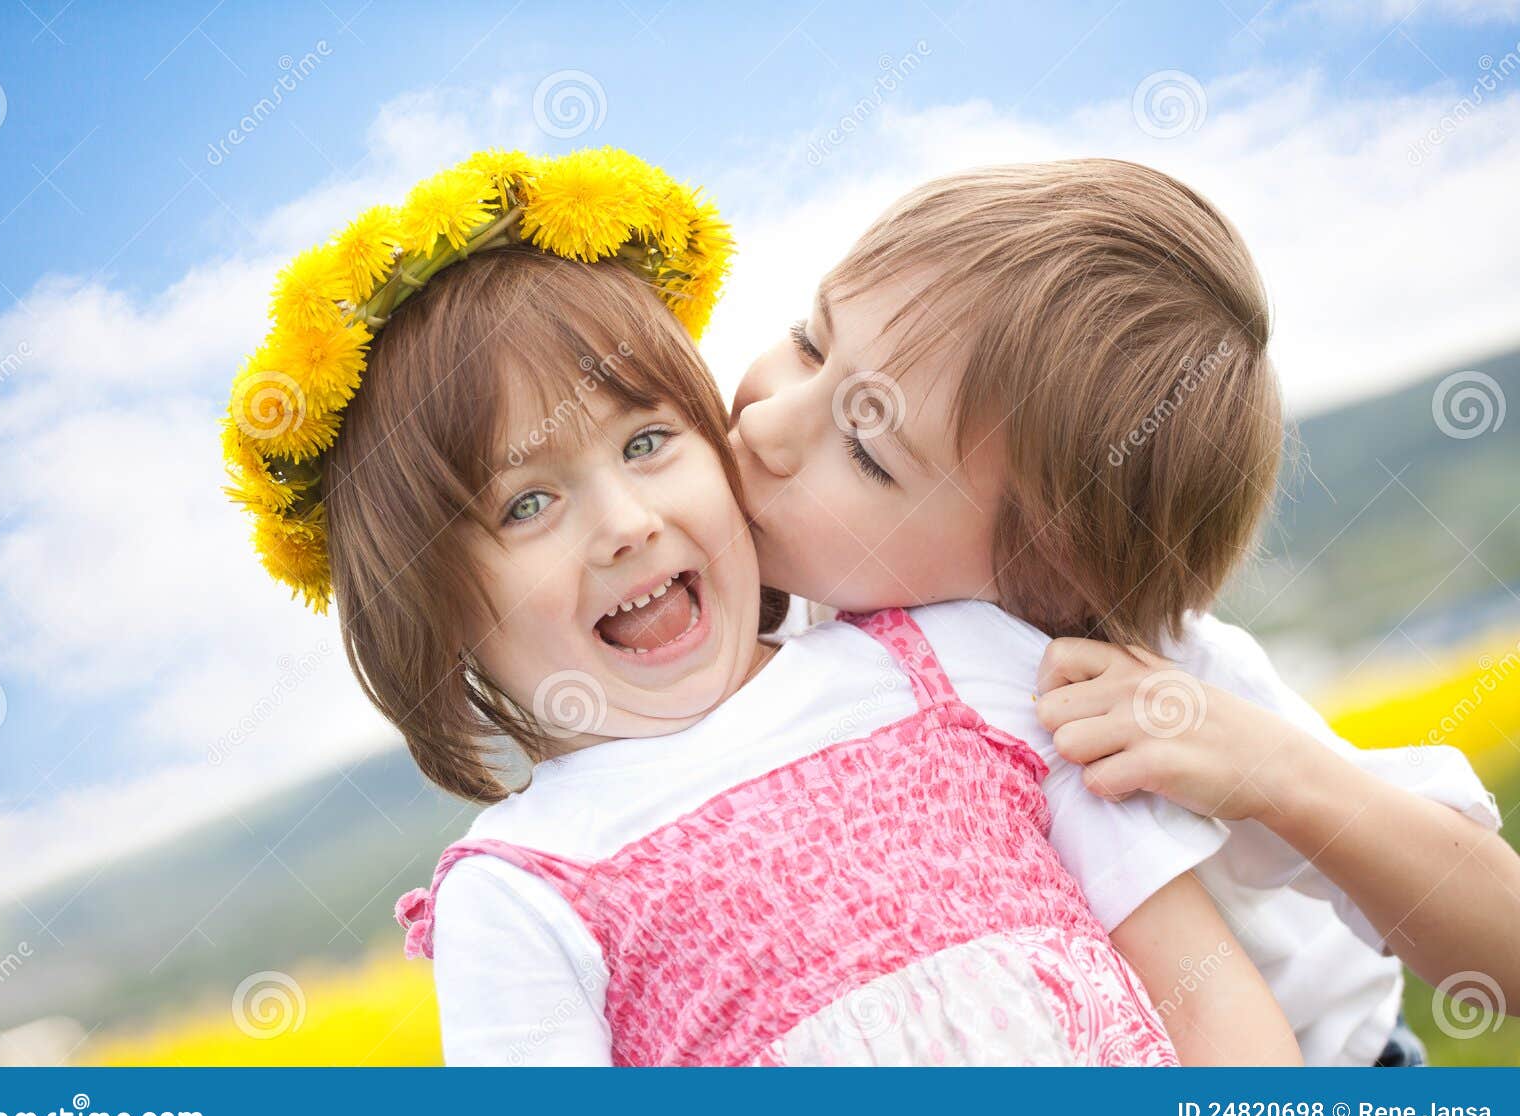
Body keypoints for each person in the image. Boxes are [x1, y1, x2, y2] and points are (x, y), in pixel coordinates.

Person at [224, 147, 1299, 1065]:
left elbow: (1204, 994)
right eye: (527, 503)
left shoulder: (956, 663)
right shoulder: (521, 890)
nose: (624, 523)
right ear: (435, 600)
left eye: (648, 442)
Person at [727, 158, 1518, 1065]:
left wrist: (1272, 770)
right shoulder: (762, 619)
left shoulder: (1138, 677)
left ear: (1053, 579)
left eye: (868, 451)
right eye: (810, 342)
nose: (768, 425)